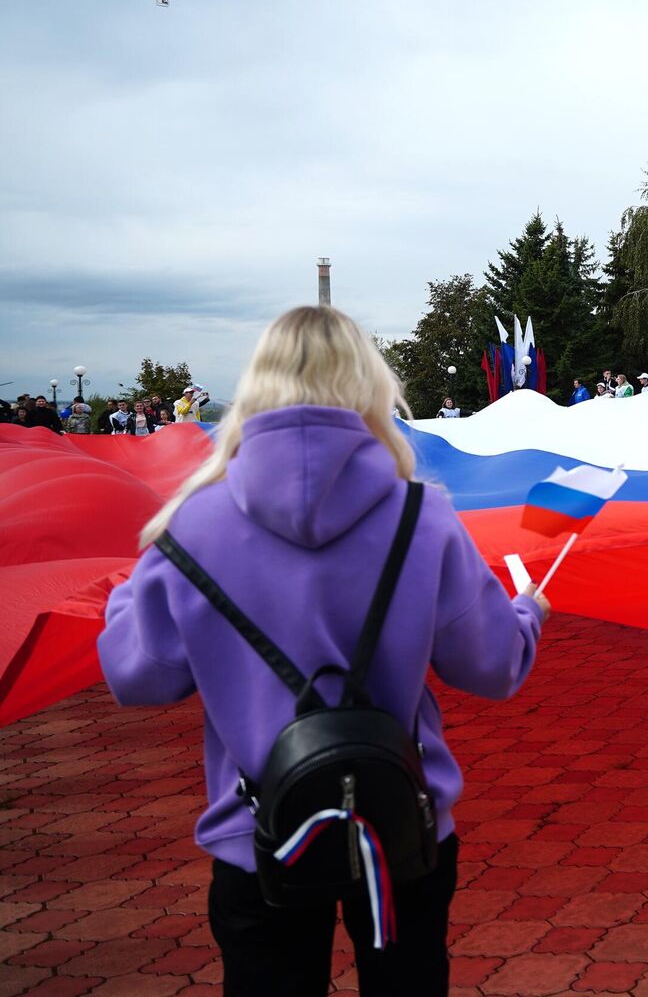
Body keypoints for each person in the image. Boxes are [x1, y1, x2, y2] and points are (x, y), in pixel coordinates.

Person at [95, 305, 548, 995]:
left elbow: (137, 678)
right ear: (369, 384)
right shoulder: (422, 514)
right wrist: (528, 614)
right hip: (401, 823)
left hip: (258, 832)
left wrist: (126, 595)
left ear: (256, 385)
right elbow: (491, 667)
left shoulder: (193, 524)